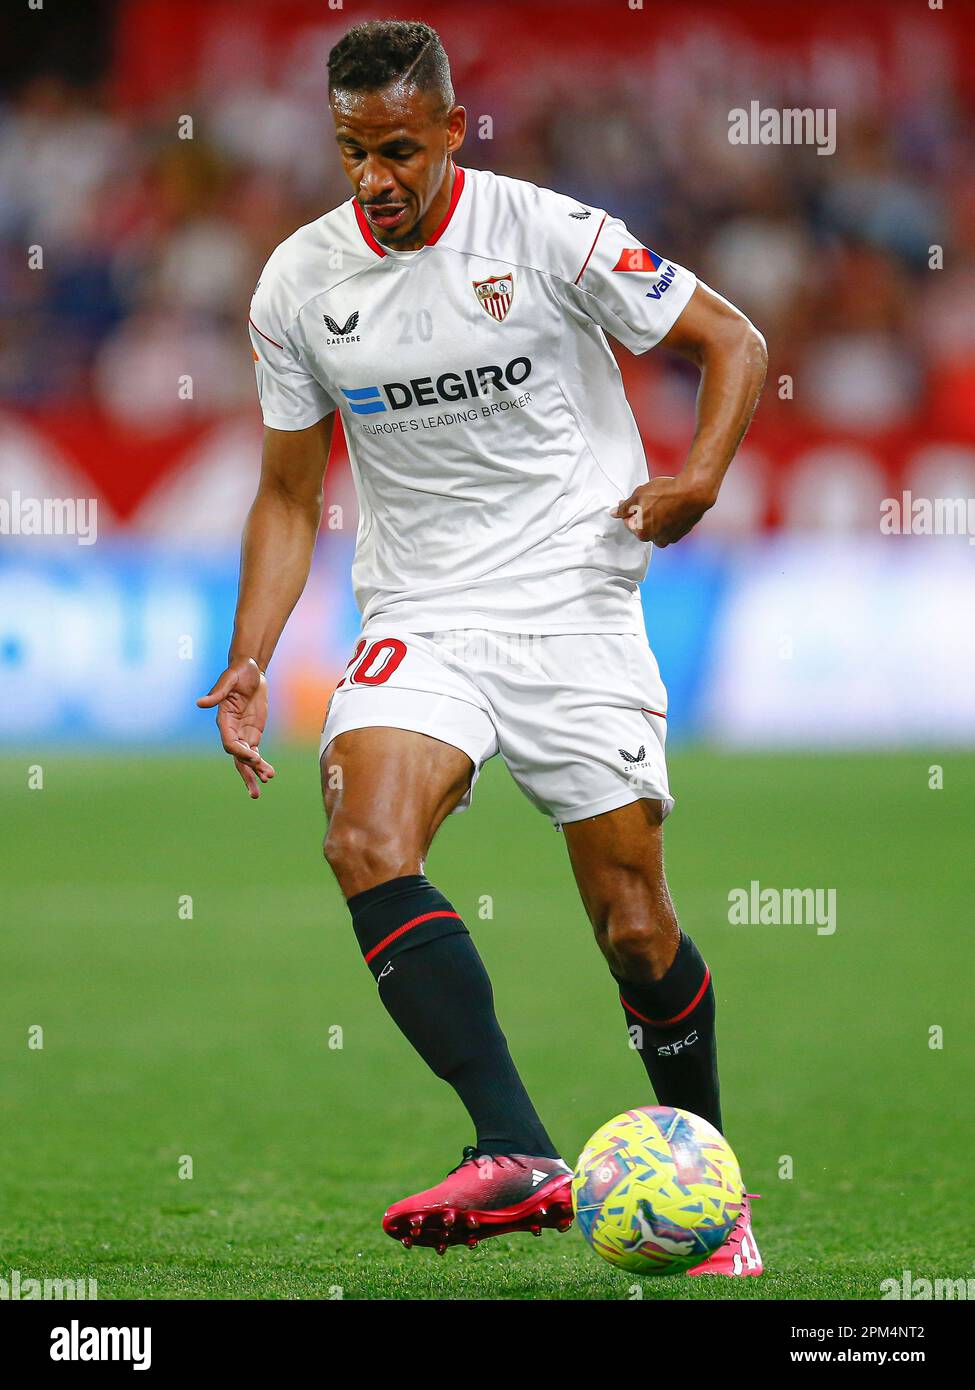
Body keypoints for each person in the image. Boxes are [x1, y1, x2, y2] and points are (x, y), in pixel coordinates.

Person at [199, 19, 767, 1274]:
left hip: (574, 598)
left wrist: (702, 478)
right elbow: (291, 493)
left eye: (398, 149)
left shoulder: (549, 234)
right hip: (421, 613)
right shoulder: (301, 280)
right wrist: (250, 656)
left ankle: (710, 1182)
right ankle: (514, 1142)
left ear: (452, 130)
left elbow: (734, 340)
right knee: (362, 837)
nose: (374, 179)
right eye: (351, 151)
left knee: (632, 922)